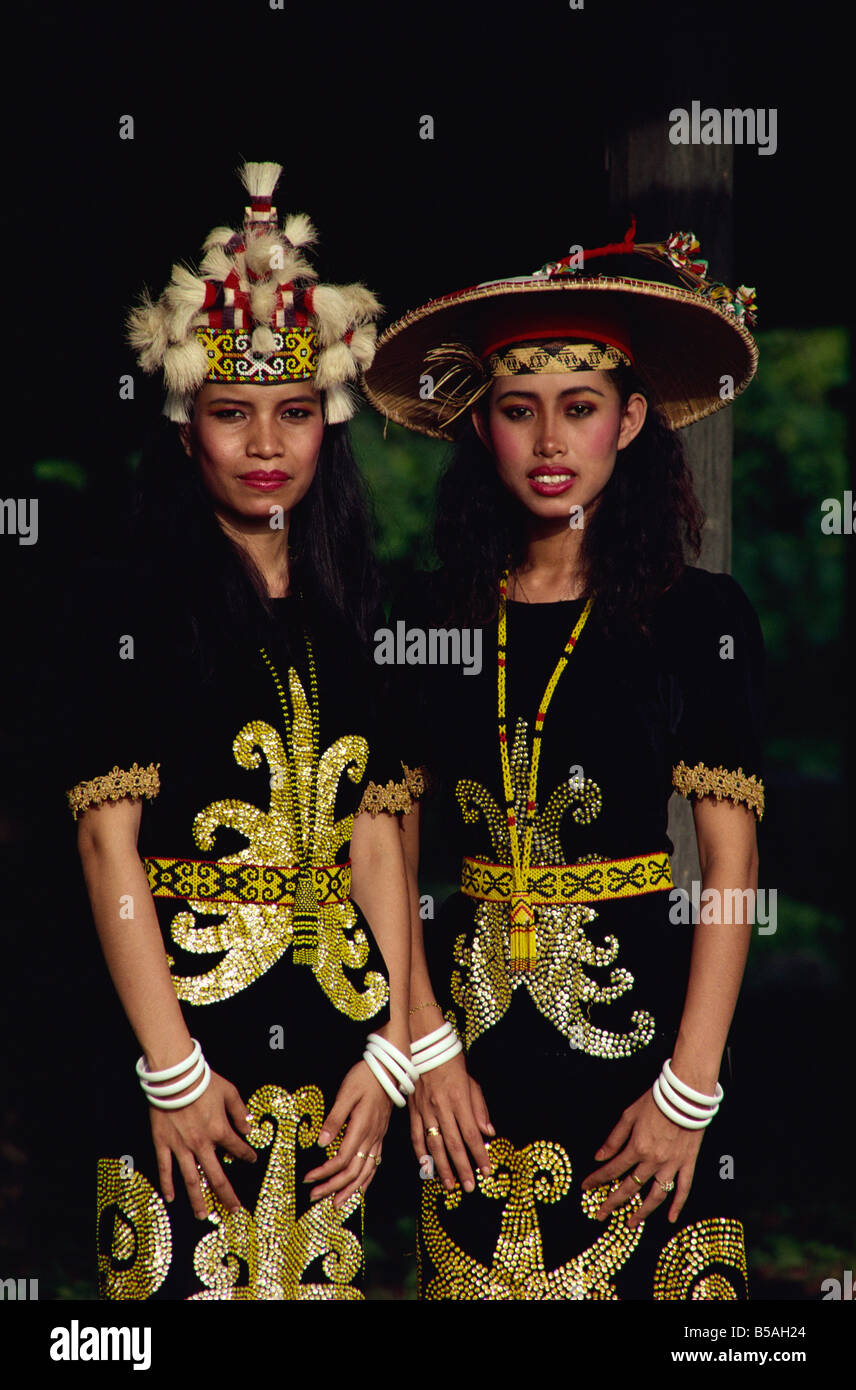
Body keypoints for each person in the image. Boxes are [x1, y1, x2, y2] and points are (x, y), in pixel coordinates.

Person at [362, 226, 765, 1299]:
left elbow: (730, 869)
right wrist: (421, 1041)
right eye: (517, 407)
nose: (550, 439)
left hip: (652, 1051)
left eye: (579, 406)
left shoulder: (696, 617)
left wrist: (691, 1087)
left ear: (628, 421)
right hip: (468, 1056)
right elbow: (383, 838)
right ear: (479, 427)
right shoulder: (426, 613)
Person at [62, 161, 419, 1300]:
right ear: (184, 432)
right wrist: (169, 1068)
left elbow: (376, 843)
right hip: (187, 1033)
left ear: (329, 425)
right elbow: (105, 845)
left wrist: (395, 1045)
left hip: (342, 1045)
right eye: (230, 413)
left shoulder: (360, 608)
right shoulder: (129, 605)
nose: (266, 443)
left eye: (295, 412)